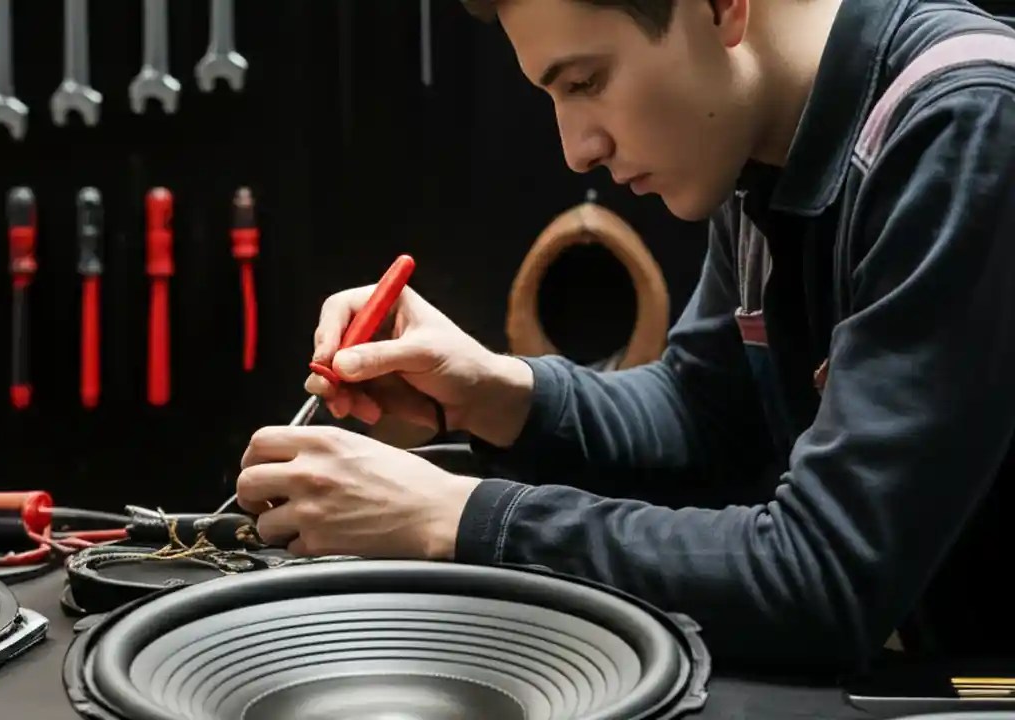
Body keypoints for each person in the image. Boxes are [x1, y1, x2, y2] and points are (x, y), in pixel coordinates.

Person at [234, 0, 1015, 670]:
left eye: (586, 82)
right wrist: (490, 393)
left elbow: (824, 578)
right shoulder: (762, 147)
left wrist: (457, 518)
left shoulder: (969, 126)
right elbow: (704, 420)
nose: (578, 147)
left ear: (720, 6)